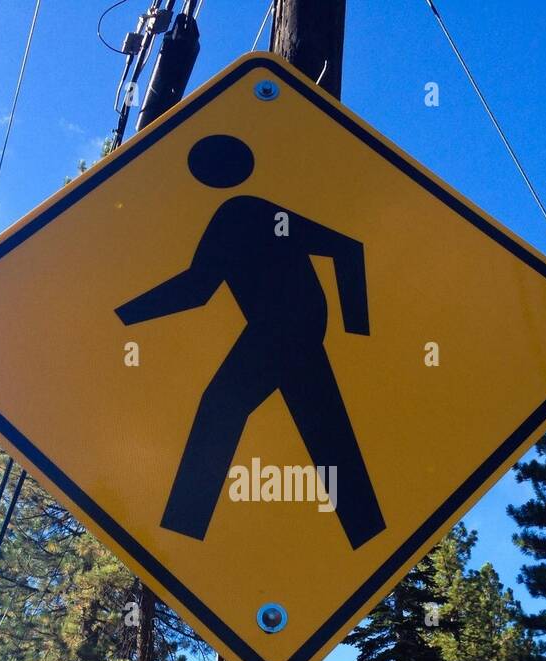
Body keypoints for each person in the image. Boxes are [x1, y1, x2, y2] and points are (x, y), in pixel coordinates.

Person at [115, 134, 386, 550]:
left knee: (220, 406)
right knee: (325, 427)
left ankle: (183, 535)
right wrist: (125, 315)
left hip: (286, 325)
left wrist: (359, 332)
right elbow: (198, 289)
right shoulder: (233, 215)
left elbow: (346, 248)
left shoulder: (246, 211)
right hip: (290, 326)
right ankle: (368, 533)